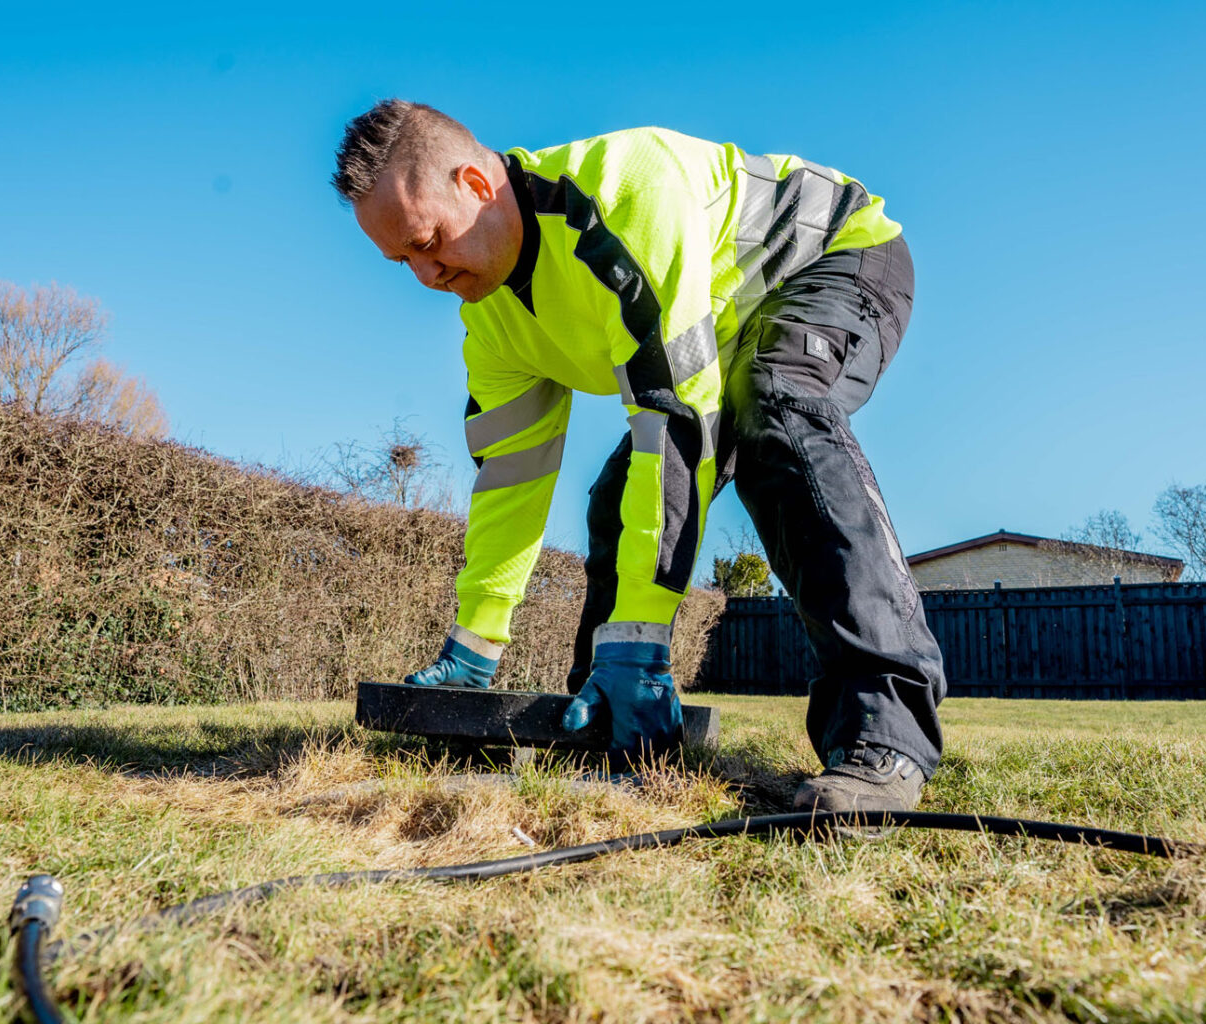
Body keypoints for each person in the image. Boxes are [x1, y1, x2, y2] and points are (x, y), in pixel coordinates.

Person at [332, 100, 947, 812]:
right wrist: (475, 645)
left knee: (773, 406)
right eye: (401, 259)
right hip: (721, 333)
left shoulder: (622, 200)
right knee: (618, 493)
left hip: (833, 256)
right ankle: (605, 717)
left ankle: (884, 736)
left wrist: (644, 638)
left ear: (475, 185)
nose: (425, 275)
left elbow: (676, 422)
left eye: (429, 240)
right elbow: (511, 480)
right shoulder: (490, 320)